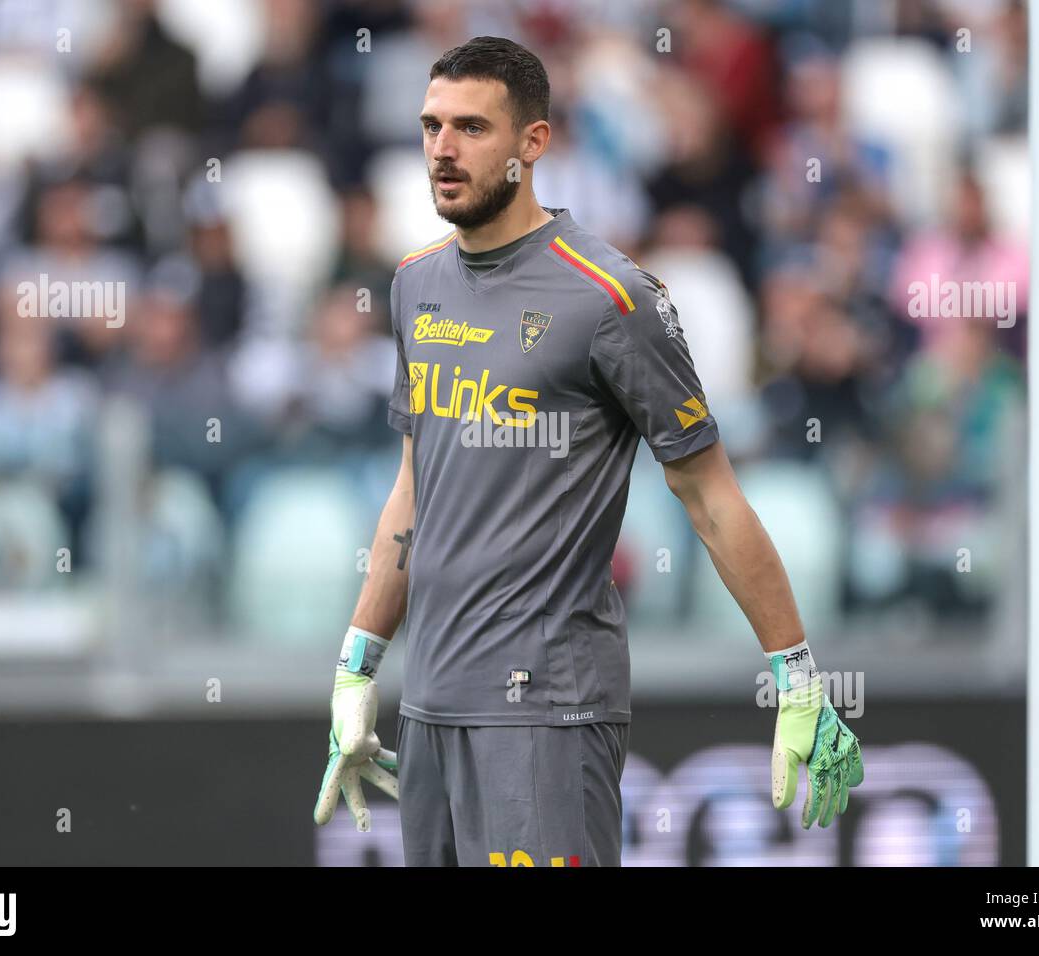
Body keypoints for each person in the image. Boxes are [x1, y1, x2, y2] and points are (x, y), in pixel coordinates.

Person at [312, 36, 863, 867]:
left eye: (470, 127)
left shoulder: (612, 297)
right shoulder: (414, 283)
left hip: (547, 710)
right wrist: (359, 670)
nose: (443, 150)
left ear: (533, 143)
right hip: (429, 706)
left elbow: (710, 496)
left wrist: (798, 677)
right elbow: (412, 490)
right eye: (430, 127)